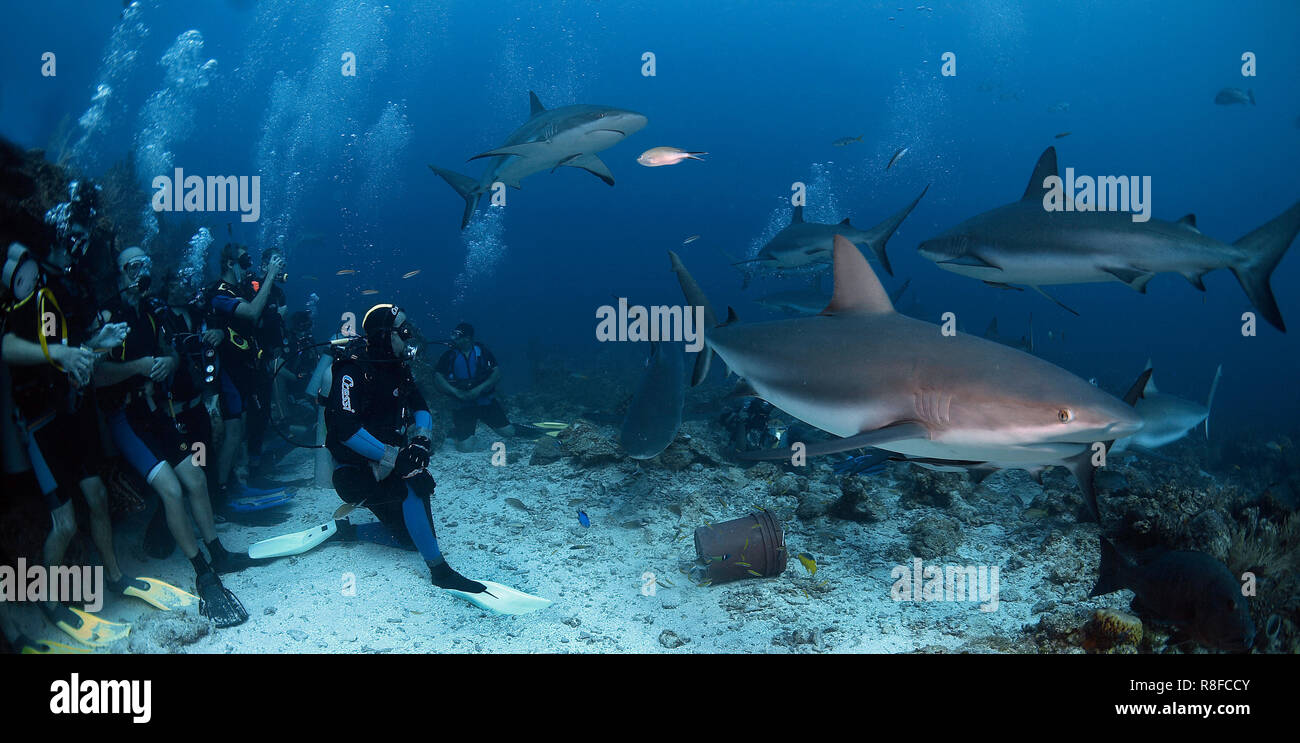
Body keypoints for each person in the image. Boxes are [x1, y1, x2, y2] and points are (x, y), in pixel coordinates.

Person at [321, 304, 547, 614]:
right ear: (384, 336)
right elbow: (345, 430)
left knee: (408, 539)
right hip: (353, 472)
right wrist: (399, 458)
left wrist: (422, 441)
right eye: (402, 331)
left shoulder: (398, 366)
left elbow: (421, 408)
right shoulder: (352, 370)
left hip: (385, 466)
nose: (409, 335)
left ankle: (346, 531)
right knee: (415, 482)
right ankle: (440, 572)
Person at [92, 246, 249, 627]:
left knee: (195, 477)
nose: (140, 272)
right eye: (132, 266)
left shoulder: (154, 310)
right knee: (172, 489)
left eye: (145, 264)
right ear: (120, 273)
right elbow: (95, 375)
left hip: (157, 413)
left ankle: (217, 550)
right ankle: (200, 569)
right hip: (125, 417)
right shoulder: (108, 314)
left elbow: (174, 353)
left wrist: (168, 362)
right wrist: (138, 367)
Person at [0, 232, 145, 644]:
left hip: (69, 416)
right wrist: (59, 355)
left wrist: (94, 346)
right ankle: (45, 598)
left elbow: (67, 353)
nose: (74, 255)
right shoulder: (22, 293)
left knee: (97, 497)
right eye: (68, 246)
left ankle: (114, 575)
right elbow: (10, 346)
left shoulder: (56, 295)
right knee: (63, 521)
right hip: (40, 425)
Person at [206, 242, 284, 501]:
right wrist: (270, 275)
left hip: (245, 366)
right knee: (233, 431)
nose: (247, 266)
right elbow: (251, 313)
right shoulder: (219, 292)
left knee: (243, 427)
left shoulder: (238, 289)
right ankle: (219, 491)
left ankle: (235, 480)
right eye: (244, 261)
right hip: (229, 369)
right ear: (229, 263)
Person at [432, 322, 522, 451]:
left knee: (508, 433)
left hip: (485, 402)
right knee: (466, 448)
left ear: (468, 338)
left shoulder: (483, 352)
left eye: (458, 335)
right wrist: (456, 392)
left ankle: (523, 428)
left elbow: (496, 373)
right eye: (454, 334)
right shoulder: (449, 356)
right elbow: (438, 377)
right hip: (462, 406)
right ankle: (456, 433)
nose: (454, 338)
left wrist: (478, 390)